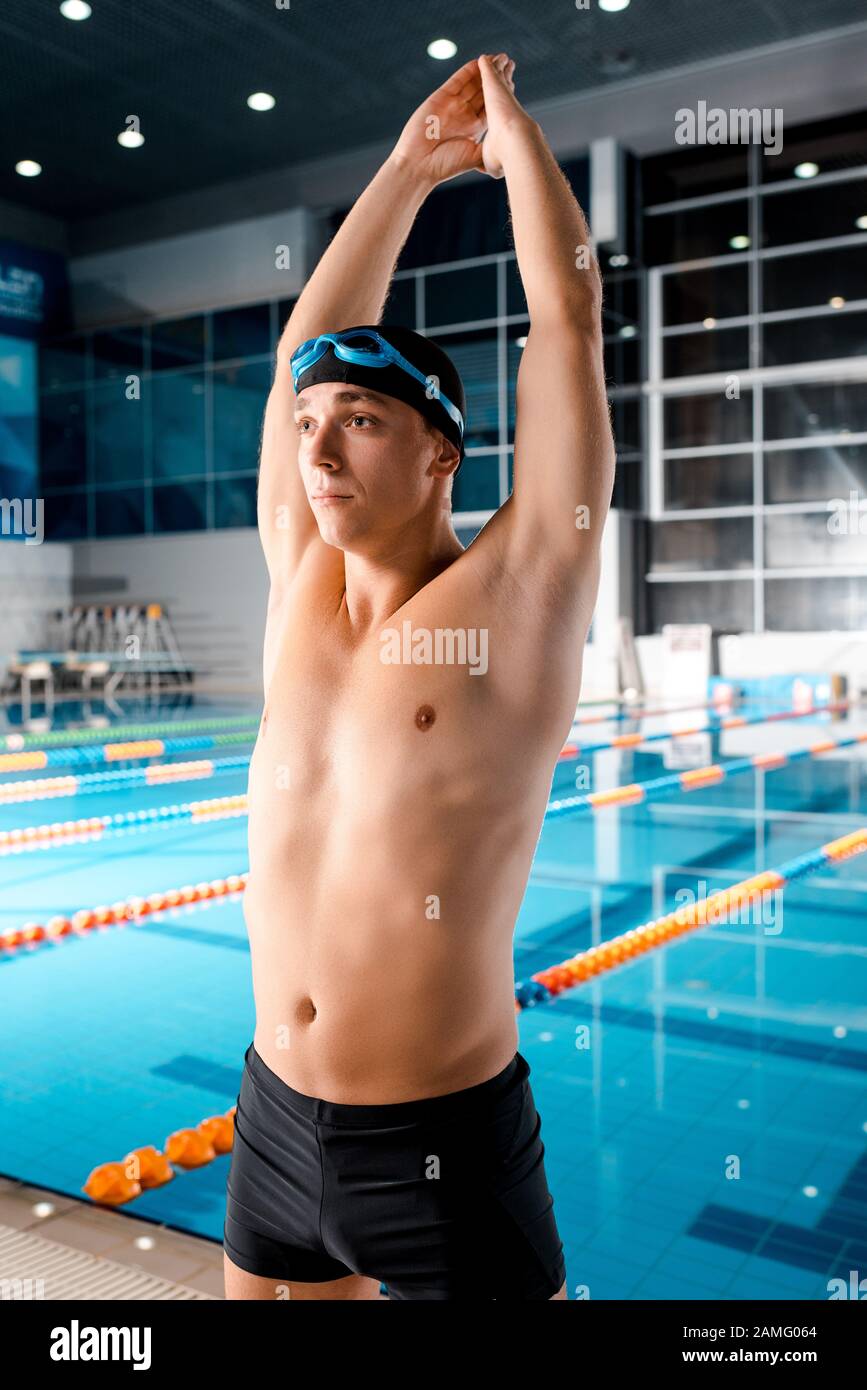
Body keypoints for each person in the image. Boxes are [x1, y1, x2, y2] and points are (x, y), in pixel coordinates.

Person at [223, 51, 615, 1301]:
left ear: (443, 453)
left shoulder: (518, 598)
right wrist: (403, 173)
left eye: (363, 422)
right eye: (308, 425)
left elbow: (569, 318)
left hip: (443, 1150)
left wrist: (510, 146)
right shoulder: (301, 589)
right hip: (270, 1126)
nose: (320, 448)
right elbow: (299, 354)